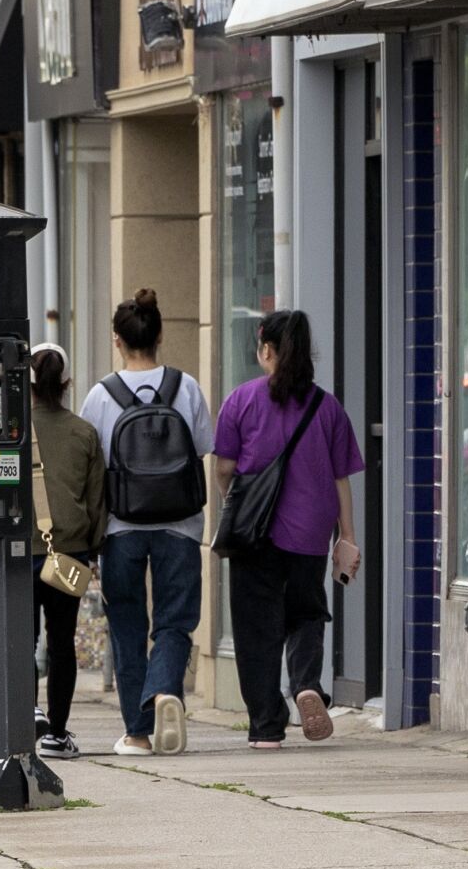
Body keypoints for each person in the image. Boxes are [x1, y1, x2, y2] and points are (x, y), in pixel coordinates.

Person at [214, 310, 364, 748]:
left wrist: (234, 503)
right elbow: (340, 479)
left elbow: (223, 467)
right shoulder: (327, 407)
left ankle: (266, 727)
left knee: (255, 629)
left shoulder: (241, 400)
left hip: (255, 535)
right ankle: (305, 684)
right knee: (306, 612)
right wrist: (347, 536)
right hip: (311, 533)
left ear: (267, 350)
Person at [80, 289, 213, 757]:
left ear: (117, 340)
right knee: (175, 621)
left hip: (121, 527)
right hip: (181, 525)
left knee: (127, 626)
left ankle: (137, 733)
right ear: (160, 336)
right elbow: (202, 447)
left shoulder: (101, 395)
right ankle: (164, 691)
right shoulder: (186, 387)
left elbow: (91, 463)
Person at [28, 341, 105, 760]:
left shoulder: (11, 431)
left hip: (20, 554)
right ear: (67, 382)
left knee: (21, 640)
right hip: (69, 552)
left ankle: (29, 711)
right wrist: (93, 549)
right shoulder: (84, 432)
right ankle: (57, 735)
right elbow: (96, 502)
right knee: (61, 643)